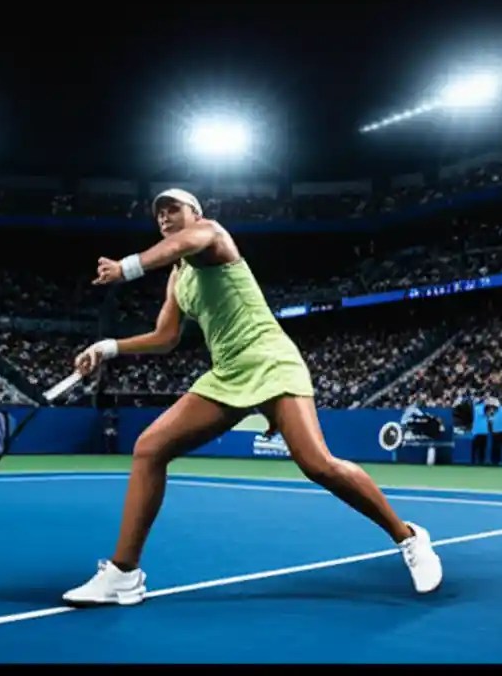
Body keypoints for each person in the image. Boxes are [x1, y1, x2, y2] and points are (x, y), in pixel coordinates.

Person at [61, 188, 442, 607]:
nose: (165, 218)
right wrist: (108, 347)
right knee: (149, 448)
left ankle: (409, 537)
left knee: (318, 464)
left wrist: (127, 267)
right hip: (227, 372)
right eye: (159, 214)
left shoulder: (211, 234)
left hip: (271, 360)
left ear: (196, 213)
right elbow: (165, 338)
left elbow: (183, 243)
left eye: (173, 209)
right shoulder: (177, 277)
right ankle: (123, 575)